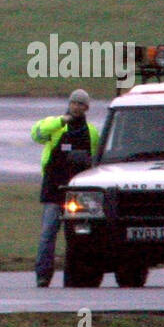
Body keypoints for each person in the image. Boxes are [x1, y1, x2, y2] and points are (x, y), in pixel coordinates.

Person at [31, 89, 101, 287]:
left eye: (81, 104)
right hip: (54, 189)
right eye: (74, 103)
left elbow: (94, 159)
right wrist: (60, 121)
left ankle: (77, 274)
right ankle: (43, 275)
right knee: (48, 234)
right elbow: (36, 134)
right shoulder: (56, 126)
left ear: (87, 108)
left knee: (80, 234)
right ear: (69, 104)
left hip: (79, 193)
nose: (77, 107)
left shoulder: (92, 131)